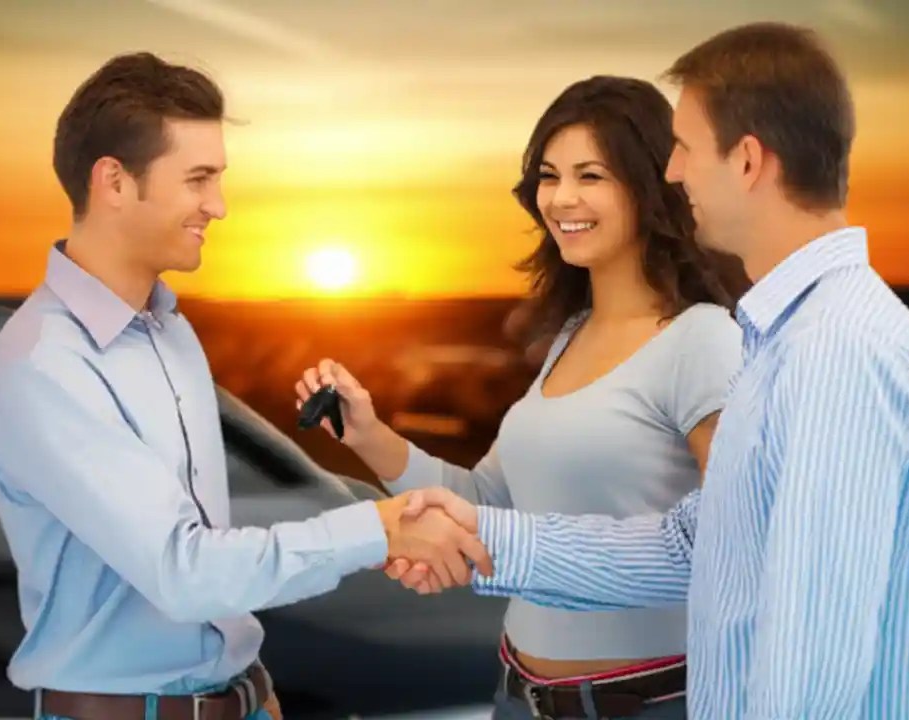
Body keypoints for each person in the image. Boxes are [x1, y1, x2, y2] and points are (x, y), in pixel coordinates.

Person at [390, 22, 909, 720]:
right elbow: (697, 545)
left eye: (684, 147)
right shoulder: (787, 340)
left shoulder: (834, 351)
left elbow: (814, 657)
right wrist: (484, 536)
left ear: (748, 161)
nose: (672, 172)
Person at [0, 52, 491, 720]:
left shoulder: (170, 334)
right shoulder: (44, 365)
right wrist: (376, 531)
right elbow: (183, 572)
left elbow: (209, 558)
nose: (217, 206)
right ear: (114, 182)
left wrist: (250, 691)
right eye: (198, 179)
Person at [296, 76, 750, 719]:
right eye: (548, 175)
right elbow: (487, 503)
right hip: (518, 698)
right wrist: (368, 433)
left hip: (650, 702)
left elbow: (731, 542)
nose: (562, 198)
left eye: (591, 175)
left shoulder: (702, 339)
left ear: (651, 186)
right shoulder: (569, 337)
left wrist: (480, 546)